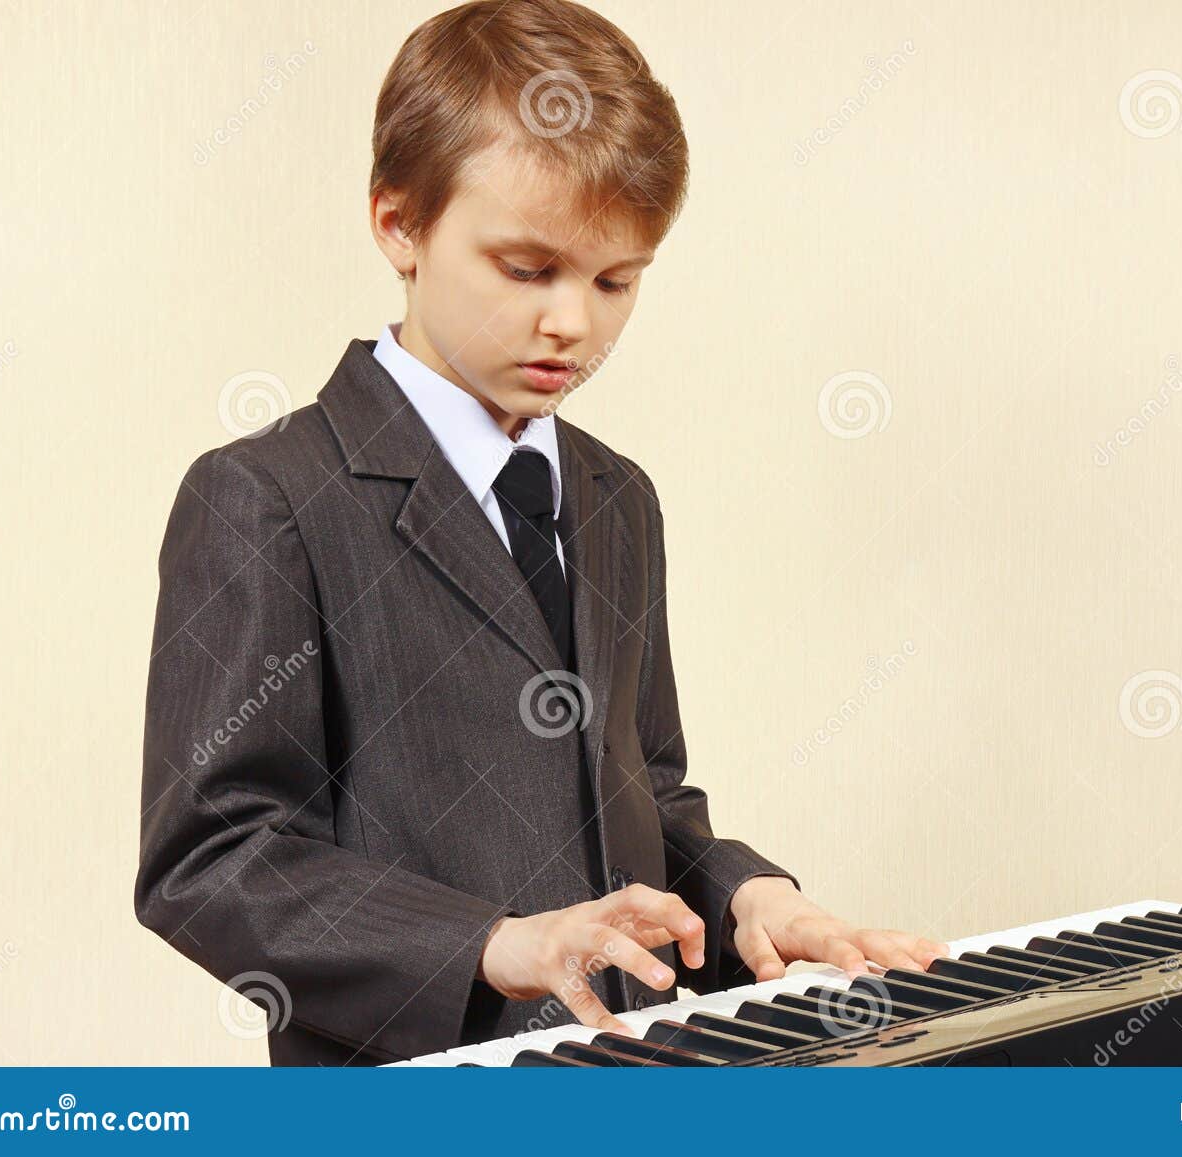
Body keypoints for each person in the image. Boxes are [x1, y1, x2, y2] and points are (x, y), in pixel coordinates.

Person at [135, 0, 946, 1066]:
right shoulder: (264, 496)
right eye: (527, 269)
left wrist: (748, 894)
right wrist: (490, 944)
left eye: (616, 280)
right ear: (399, 224)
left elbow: (644, 799)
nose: (574, 322)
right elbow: (212, 861)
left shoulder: (619, 497)